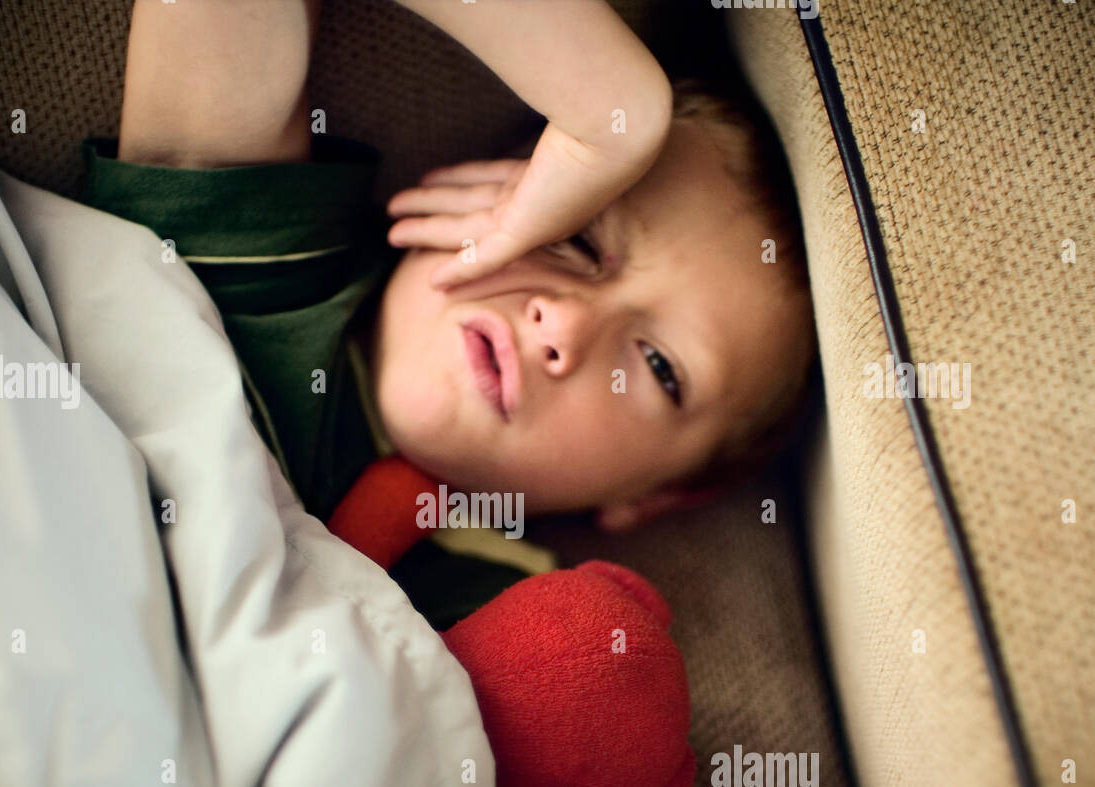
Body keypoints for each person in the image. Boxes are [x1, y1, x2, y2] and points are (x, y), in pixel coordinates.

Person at [81, 0, 816, 626]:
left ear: (658, 495)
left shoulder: (520, 623)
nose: (562, 324)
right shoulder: (263, 280)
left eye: (659, 366)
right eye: (577, 235)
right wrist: (612, 113)